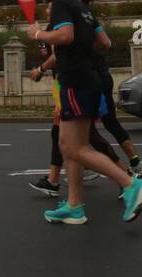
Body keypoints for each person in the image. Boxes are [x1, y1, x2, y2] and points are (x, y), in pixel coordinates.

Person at [29, 0, 142, 225]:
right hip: (91, 79)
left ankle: (130, 184)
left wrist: (39, 34)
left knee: (75, 148)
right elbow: (104, 42)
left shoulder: (61, 4)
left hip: (74, 81)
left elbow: (65, 36)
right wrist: (83, 54)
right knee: (69, 145)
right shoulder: (82, 7)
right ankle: (74, 205)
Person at [74, 0, 142, 178]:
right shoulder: (91, 18)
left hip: (92, 80)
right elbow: (106, 43)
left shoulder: (79, 20)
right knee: (105, 123)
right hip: (102, 76)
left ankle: (122, 172)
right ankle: (131, 162)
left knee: (88, 129)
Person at [28, 40, 121, 197]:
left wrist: (41, 68)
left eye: (48, 12)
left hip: (74, 83)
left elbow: (61, 53)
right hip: (69, 82)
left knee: (87, 136)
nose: (47, 13)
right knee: (61, 135)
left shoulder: (65, 21)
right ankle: (54, 182)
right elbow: (103, 42)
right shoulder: (65, 22)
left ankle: (127, 179)